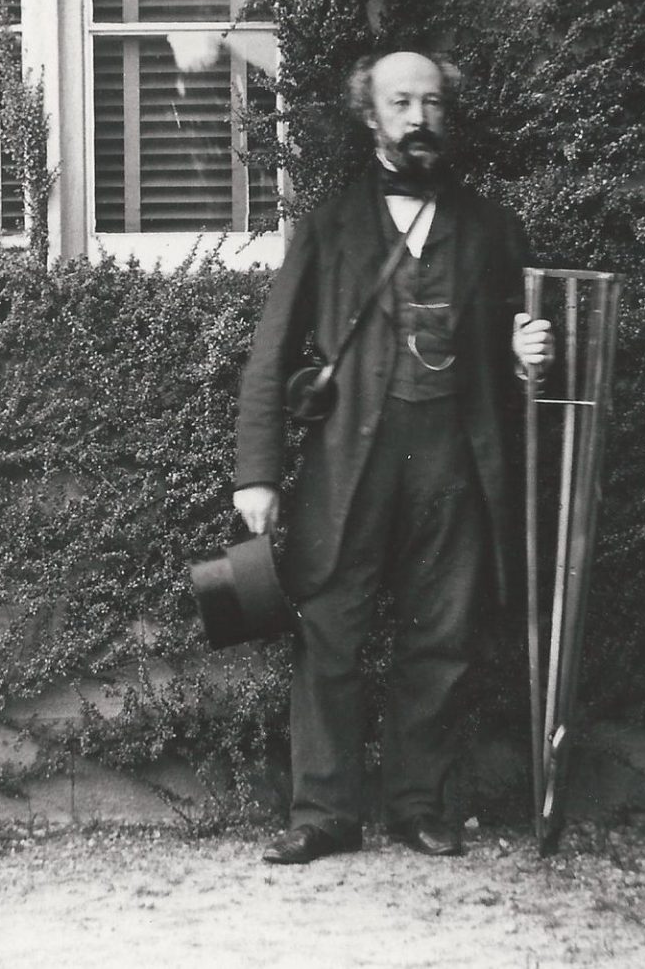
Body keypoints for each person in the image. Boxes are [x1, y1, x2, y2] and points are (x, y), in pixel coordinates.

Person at [233, 49, 554, 863]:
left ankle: (420, 804)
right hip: (350, 464)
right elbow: (271, 353)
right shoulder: (330, 225)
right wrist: (258, 474)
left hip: (456, 460)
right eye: (401, 103)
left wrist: (528, 356)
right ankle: (323, 813)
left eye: (432, 103)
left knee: (441, 635)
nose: (418, 118)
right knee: (329, 629)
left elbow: (519, 346)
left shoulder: (492, 229)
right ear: (370, 115)